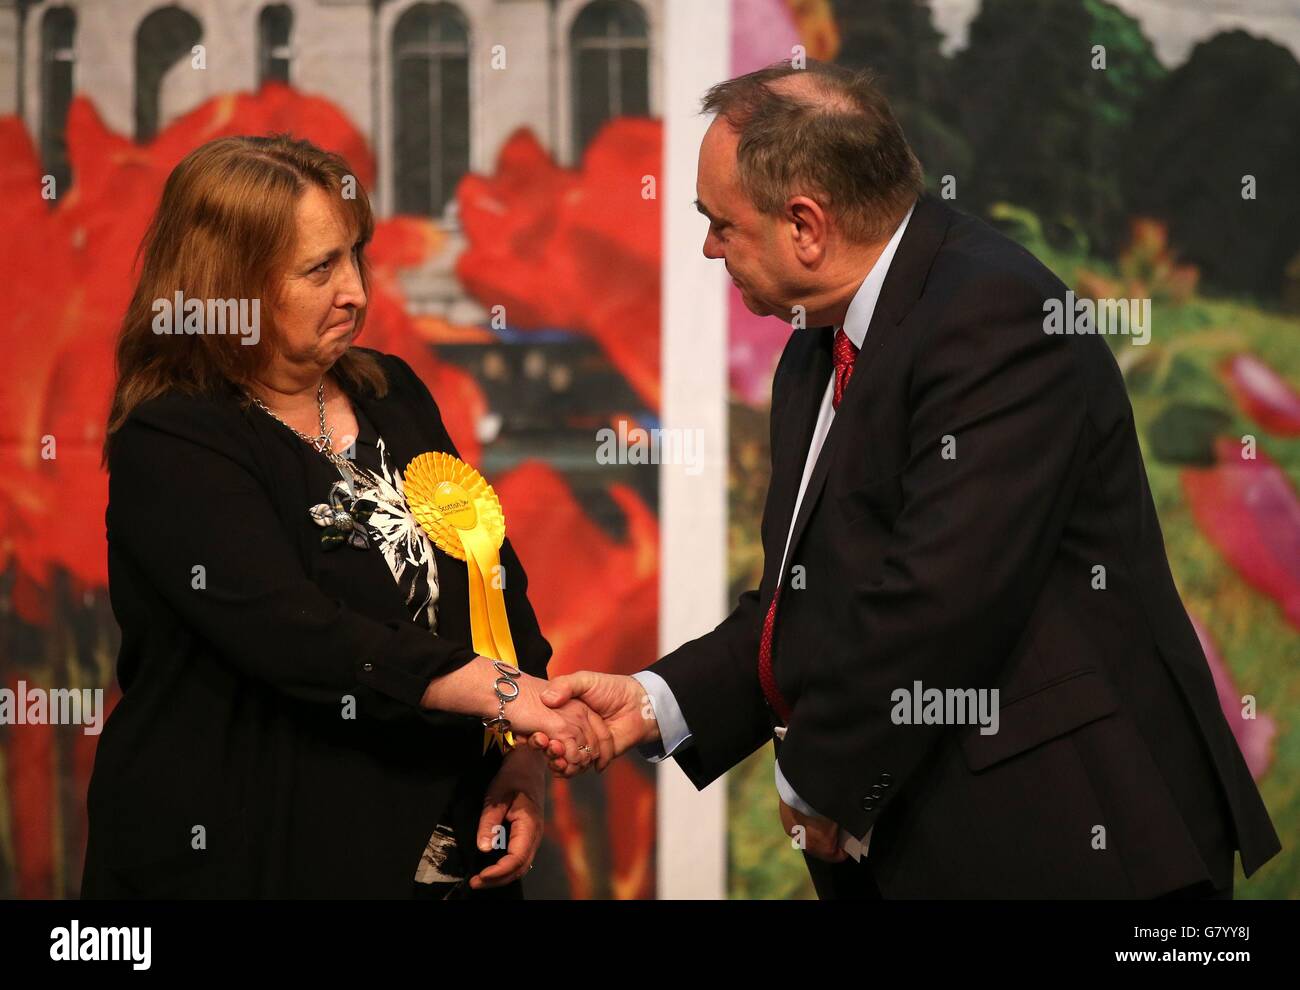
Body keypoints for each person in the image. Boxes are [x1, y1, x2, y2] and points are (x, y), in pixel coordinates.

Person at [530, 60, 1282, 899]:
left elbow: (941, 598)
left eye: (720, 223)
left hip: (1071, 845)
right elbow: (817, 598)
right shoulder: (818, 343)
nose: (709, 246)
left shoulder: (995, 318)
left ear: (805, 224)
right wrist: (652, 701)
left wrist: (816, 776)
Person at [83, 135, 607, 899]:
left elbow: (490, 576)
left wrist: (520, 756)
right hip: (253, 854)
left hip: (446, 849)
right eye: (320, 268)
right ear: (229, 283)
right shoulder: (174, 438)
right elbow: (296, 634)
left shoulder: (392, 391)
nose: (357, 291)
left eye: (355, 256)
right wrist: (500, 692)